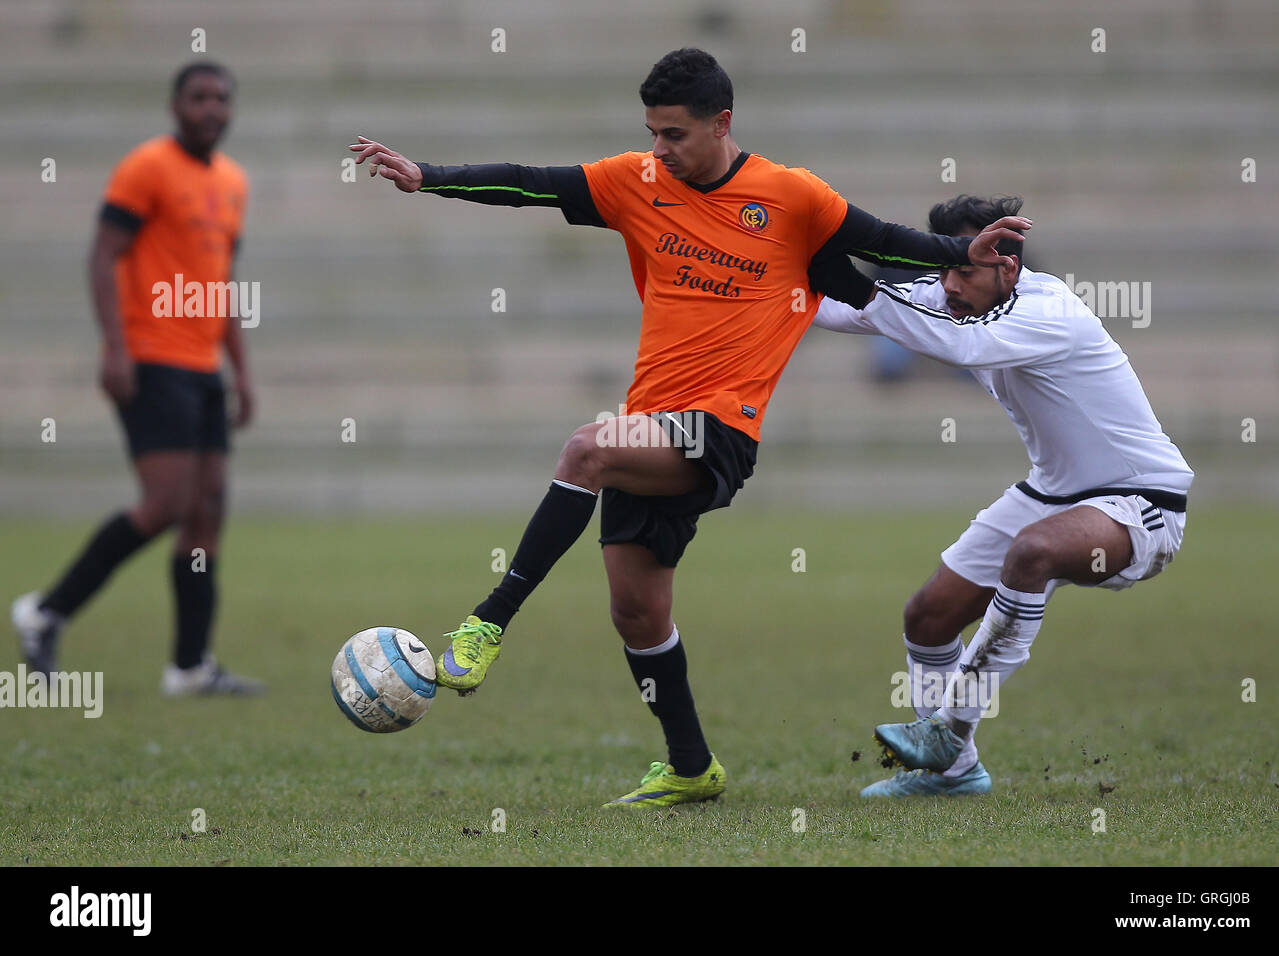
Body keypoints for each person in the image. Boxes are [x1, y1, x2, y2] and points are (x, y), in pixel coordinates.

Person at [351, 50, 1028, 807]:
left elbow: (883, 239)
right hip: (655, 421)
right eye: (650, 132)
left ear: (722, 124)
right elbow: (530, 184)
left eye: (673, 134)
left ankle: (487, 622)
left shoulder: (791, 196)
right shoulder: (636, 182)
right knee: (637, 612)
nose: (659, 148)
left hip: (723, 428)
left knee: (587, 447)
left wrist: (956, 252)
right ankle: (689, 766)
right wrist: (429, 176)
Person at [809, 194, 1193, 796]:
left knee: (1032, 553)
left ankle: (950, 727)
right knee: (928, 618)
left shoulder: (1048, 309)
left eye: (965, 267)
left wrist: (857, 286)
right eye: (946, 266)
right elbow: (844, 313)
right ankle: (954, 775)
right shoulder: (963, 291)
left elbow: (960, 347)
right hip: (1051, 494)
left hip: (1140, 501)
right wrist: (763, 277)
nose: (950, 283)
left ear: (1006, 266)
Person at [11, 62, 263, 696]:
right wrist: (114, 348)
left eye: (221, 99)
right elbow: (102, 255)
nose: (211, 109)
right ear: (176, 105)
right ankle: (45, 612)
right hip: (152, 358)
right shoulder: (146, 167)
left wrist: (242, 369)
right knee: (167, 504)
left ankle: (190, 666)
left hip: (204, 368)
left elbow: (220, 285)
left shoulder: (233, 181)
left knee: (207, 511)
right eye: (199, 97)